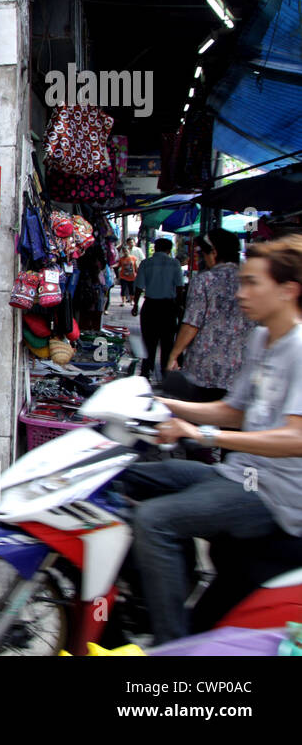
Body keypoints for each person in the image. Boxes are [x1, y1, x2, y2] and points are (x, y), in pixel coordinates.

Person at [118, 235, 302, 644]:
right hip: (238, 474)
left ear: (288, 290)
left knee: (156, 520)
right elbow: (234, 410)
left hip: (273, 493)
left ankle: (171, 645)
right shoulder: (261, 338)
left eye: (253, 283)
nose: (241, 293)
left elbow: (295, 437)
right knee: (122, 476)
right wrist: (160, 403)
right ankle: (152, 593)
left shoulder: (299, 348)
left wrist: (199, 432)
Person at [163, 228, 254, 402]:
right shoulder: (250, 281)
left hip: (205, 369)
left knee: (202, 420)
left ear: (214, 253)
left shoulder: (205, 280)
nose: (203, 258)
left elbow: (192, 323)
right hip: (242, 369)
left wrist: (174, 355)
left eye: (203, 254)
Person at [133, 237, 184, 379]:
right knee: (167, 342)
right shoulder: (174, 264)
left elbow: (139, 286)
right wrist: (179, 306)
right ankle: (165, 372)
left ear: (155, 248)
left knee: (148, 341)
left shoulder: (146, 263)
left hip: (150, 306)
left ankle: (146, 371)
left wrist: (135, 305)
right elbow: (179, 287)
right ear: (169, 250)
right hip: (168, 306)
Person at [117, 240, 139, 305]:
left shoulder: (133, 258)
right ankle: (123, 301)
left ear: (129, 251)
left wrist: (138, 274)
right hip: (123, 276)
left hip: (132, 277)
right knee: (123, 289)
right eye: (124, 251)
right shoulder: (121, 259)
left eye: (126, 251)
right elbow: (118, 265)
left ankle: (131, 301)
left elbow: (136, 267)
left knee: (131, 289)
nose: (125, 252)